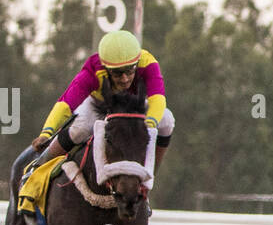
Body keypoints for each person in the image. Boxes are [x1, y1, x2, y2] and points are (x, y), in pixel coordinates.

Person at [25, 29, 173, 174]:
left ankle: (151, 170)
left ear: (137, 62)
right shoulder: (92, 71)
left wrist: (148, 124)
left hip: (132, 105)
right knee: (80, 129)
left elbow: (158, 99)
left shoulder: (148, 63)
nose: (125, 79)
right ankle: (38, 168)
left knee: (166, 119)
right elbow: (66, 104)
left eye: (129, 70)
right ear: (106, 68)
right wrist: (47, 132)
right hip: (100, 105)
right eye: (117, 73)